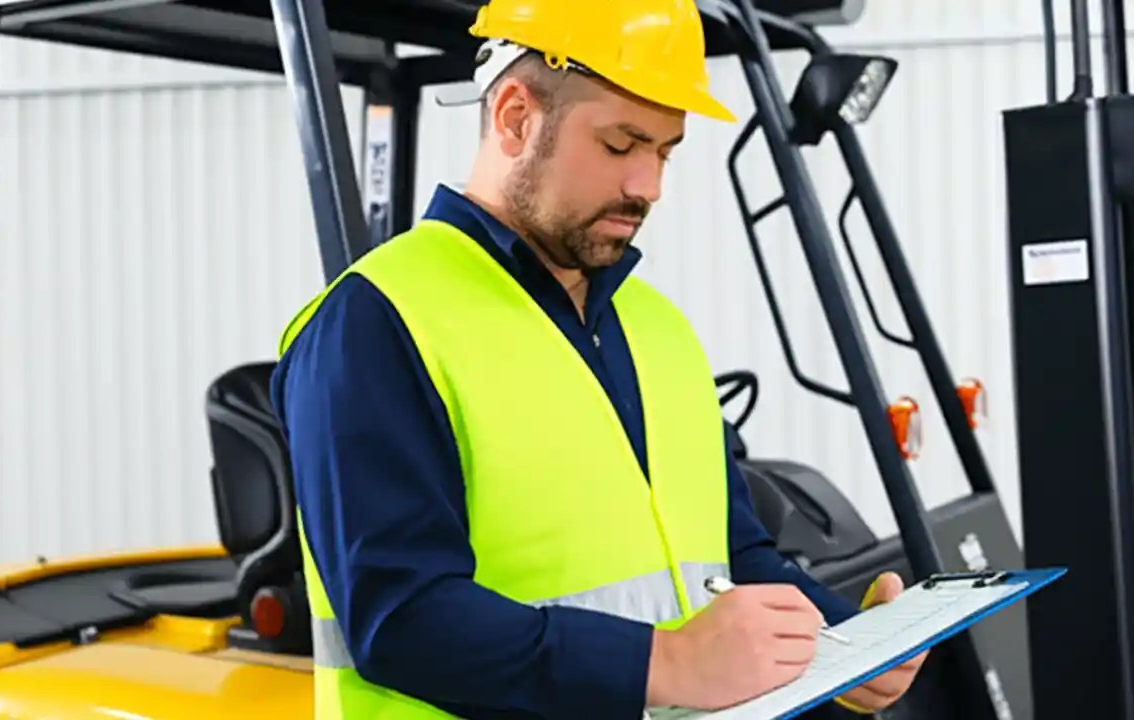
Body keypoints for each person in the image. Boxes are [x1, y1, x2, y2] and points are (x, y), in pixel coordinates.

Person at [270, 0, 925, 717]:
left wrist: (837, 643)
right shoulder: (376, 321)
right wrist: (664, 662)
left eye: (665, 152)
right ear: (516, 117)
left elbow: (735, 557)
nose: (648, 186)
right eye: (621, 145)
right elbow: (401, 618)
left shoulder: (657, 328)